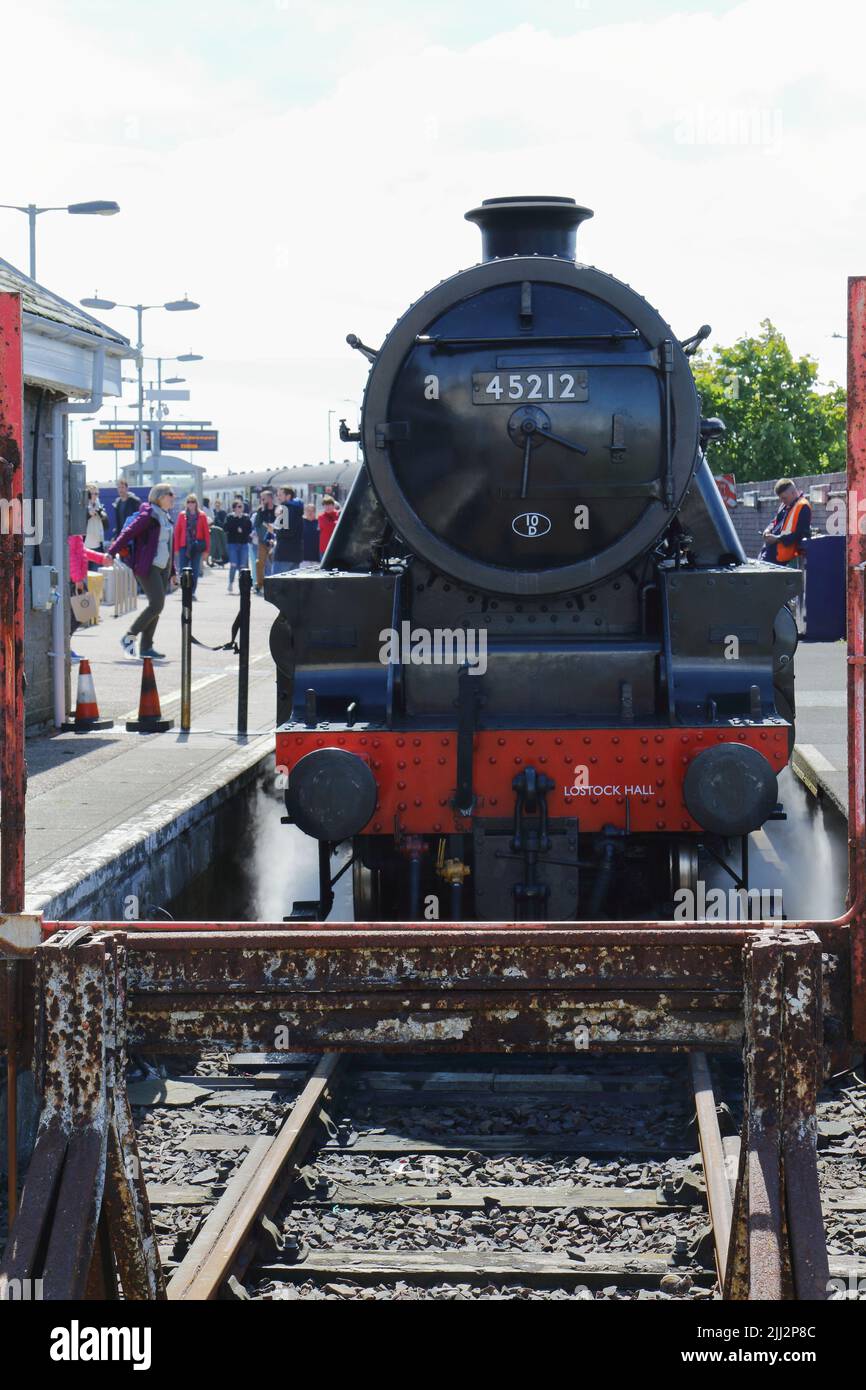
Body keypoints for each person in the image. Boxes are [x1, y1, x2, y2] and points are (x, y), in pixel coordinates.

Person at [107, 483, 177, 659]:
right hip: (147, 565)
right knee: (156, 604)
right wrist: (111, 551)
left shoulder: (165, 516)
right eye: (171, 494)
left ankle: (146, 647)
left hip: (163, 567)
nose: (173, 497)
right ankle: (129, 637)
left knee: (156, 607)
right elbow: (128, 533)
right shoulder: (148, 514)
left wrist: (173, 571)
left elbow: (168, 546)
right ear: (160, 497)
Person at [68, 536, 112, 659]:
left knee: (83, 613)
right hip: (74, 580)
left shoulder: (76, 534)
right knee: (77, 615)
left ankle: (65, 645)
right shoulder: (73, 533)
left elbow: (82, 552)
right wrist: (77, 579)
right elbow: (71, 555)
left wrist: (101, 558)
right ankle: (64, 646)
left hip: (77, 579)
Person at [759, 478, 812, 566]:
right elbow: (775, 521)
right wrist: (767, 530)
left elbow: (799, 534)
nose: (782, 501)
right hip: (771, 554)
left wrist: (777, 538)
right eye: (781, 498)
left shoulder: (803, 506)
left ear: (793, 493)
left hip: (786, 560)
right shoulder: (785, 504)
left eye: (784, 498)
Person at [173, 493, 210, 598]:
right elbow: (177, 532)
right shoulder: (182, 515)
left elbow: (206, 534)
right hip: (183, 546)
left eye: (193, 501)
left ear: (196, 503)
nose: (190, 504)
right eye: (188, 502)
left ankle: (192, 592)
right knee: (183, 570)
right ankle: (185, 590)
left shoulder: (202, 516)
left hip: (197, 546)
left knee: (195, 570)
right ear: (186, 504)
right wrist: (176, 548)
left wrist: (207, 551)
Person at [271, 486, 304, 574]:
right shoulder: (298, 509)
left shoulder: (286, 509)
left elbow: (287, 531)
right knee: (292, 586)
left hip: (284, 554)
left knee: (277, 585)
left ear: (288, 496)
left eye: (280, 495)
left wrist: (274, 530)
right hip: (296, 554)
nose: (278, 498)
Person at [252, 487, 278, 593]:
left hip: (274, 541)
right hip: (263, 541)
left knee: (274, 563)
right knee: (259, 563)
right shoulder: (260, 511)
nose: (262, 501)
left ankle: (274, 584)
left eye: (264, 499)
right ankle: (259, 584)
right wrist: (261, 511)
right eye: (261, 499)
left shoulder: (278, 509)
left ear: (270, 499)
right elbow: (256, 524)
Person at [224, 498, 253, 592]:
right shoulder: (230, 517)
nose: (241, 508)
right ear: (234, 508)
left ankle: (242, 586)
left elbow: (249, 529)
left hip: (243, 544)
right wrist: (236, 521)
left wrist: (242, 529)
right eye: (239, 506)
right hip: (232, 544)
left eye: (242, 507)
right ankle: (230, 583)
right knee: (233, 564)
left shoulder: (246, 518)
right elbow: (226, 528)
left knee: (243, 566)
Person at [84, 485, 109, 557]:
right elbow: (78, 525)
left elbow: (106, 527)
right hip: (85, 546)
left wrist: (102, 516)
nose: (94, 496)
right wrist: (88, 514)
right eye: (92, 494)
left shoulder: (99, 506)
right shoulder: (82, 507)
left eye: (96, 494)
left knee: (96, 568)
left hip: (97, 546)